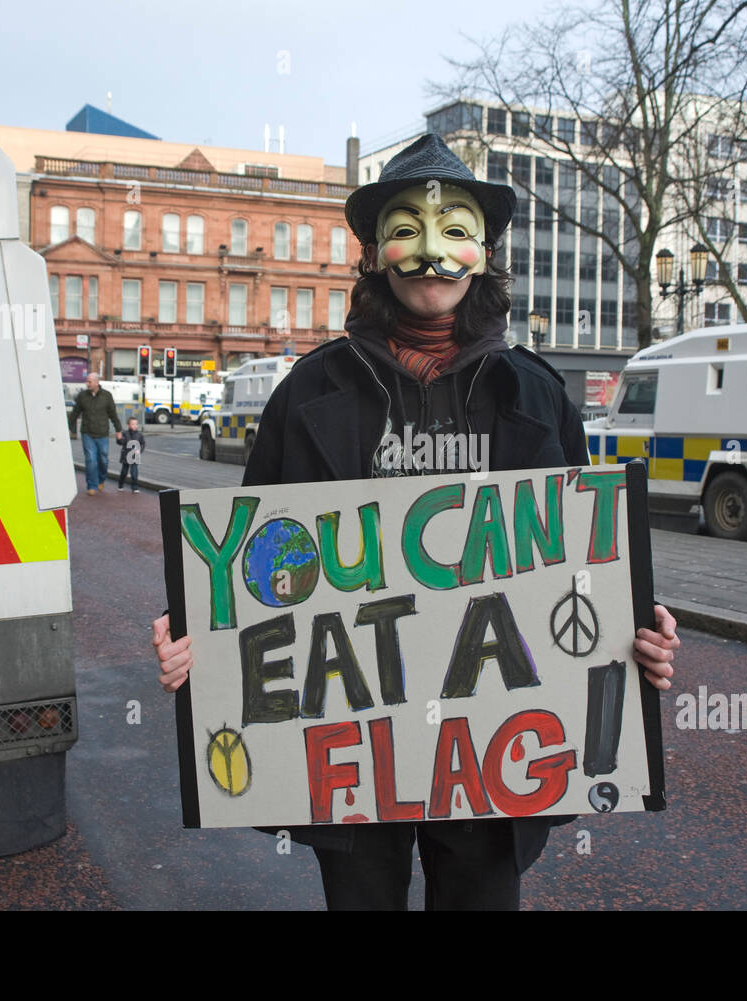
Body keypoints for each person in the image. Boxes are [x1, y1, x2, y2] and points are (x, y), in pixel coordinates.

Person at [151, 133, 679, 910]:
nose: (433, 255)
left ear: (484, 253)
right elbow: (248, 559)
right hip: (353, 749)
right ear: (373, 255)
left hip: (493, 746)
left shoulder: (536, 395)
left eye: (456, 232)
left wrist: (641, 628)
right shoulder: (307, 392)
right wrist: (195, 632)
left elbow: (584, 557)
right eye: (407, 231)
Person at [69, 372, 122, 495]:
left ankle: (101, 479)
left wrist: (119, 430)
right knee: (90, 459)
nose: (87, 384)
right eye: (87, 381)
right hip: (87, 433)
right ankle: (91, 485)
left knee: (103, 459)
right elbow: (75, 413)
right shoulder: (82, 396)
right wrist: (70, 427)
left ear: (97, 382)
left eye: (89, 381)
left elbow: (113, 414)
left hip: (102, 433)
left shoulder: (107, 396)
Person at [118, 416, 146, 492]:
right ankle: (120, 484)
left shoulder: (139, 434)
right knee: (124, 472)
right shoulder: (125, 433)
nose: (135, 426)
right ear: (128, 425)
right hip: (126, 455)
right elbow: (120, 442)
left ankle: (135, 487)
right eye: (133, 424)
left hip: (135, 456)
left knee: (134, 472)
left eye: (136, 424)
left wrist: (140, 450)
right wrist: (119, 438)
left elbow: (143, 443)